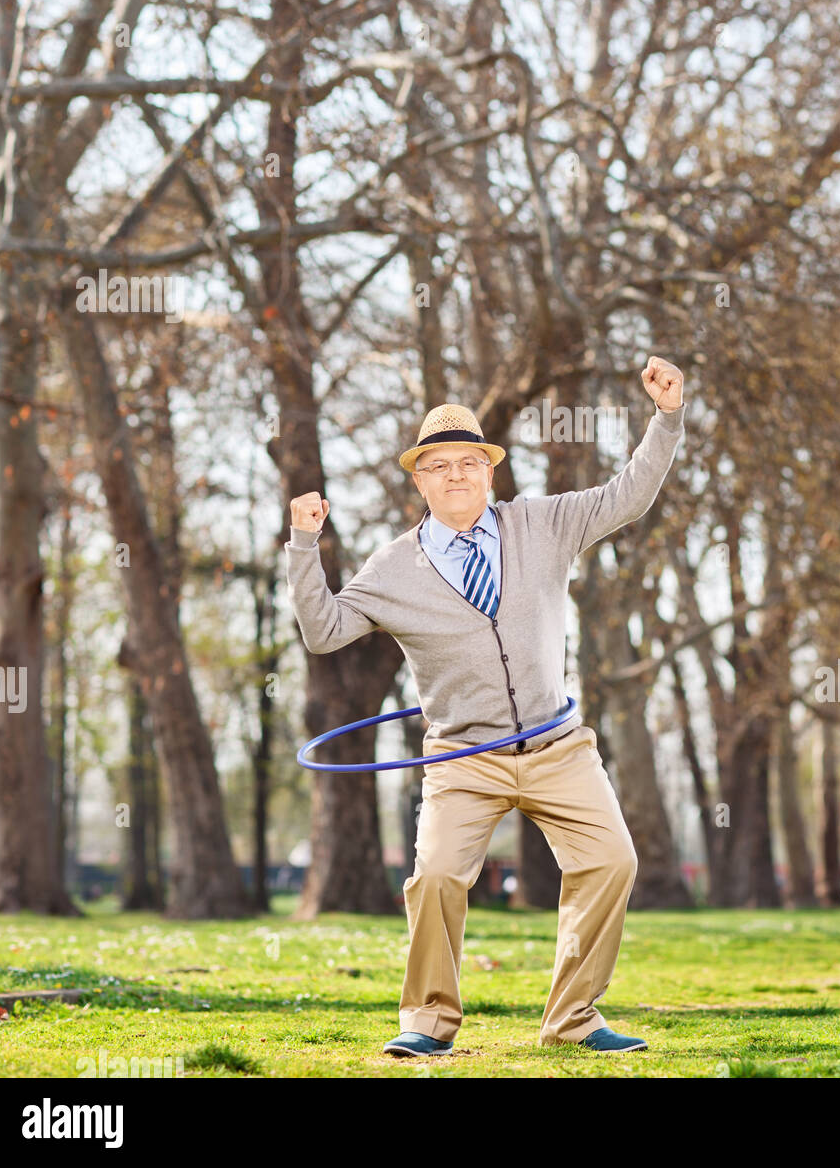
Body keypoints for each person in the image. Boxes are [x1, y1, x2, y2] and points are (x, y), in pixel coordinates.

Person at [284, 357, 685, 1056]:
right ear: (419, 481)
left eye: (467, 462)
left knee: (612, 862)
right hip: (461, 757)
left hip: (557, 744)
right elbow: (322, 633)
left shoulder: (542, 524)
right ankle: (428, 1022)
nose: (455, 476)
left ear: (488, 471)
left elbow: (630, 494)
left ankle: (573, 1019)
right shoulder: (391, 568)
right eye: (437, 467)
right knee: (435, 877)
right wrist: (302, 544)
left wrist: (667, 417)